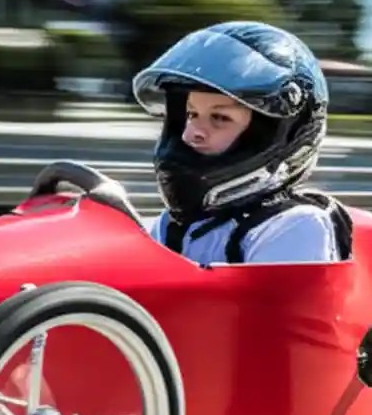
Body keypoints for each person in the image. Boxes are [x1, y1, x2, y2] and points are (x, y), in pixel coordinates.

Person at [131, 21, 352, 265]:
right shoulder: (173, 225)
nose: (191, 133)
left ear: (271, 134)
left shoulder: (294, 226)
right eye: (191, 114)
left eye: (220, 118)